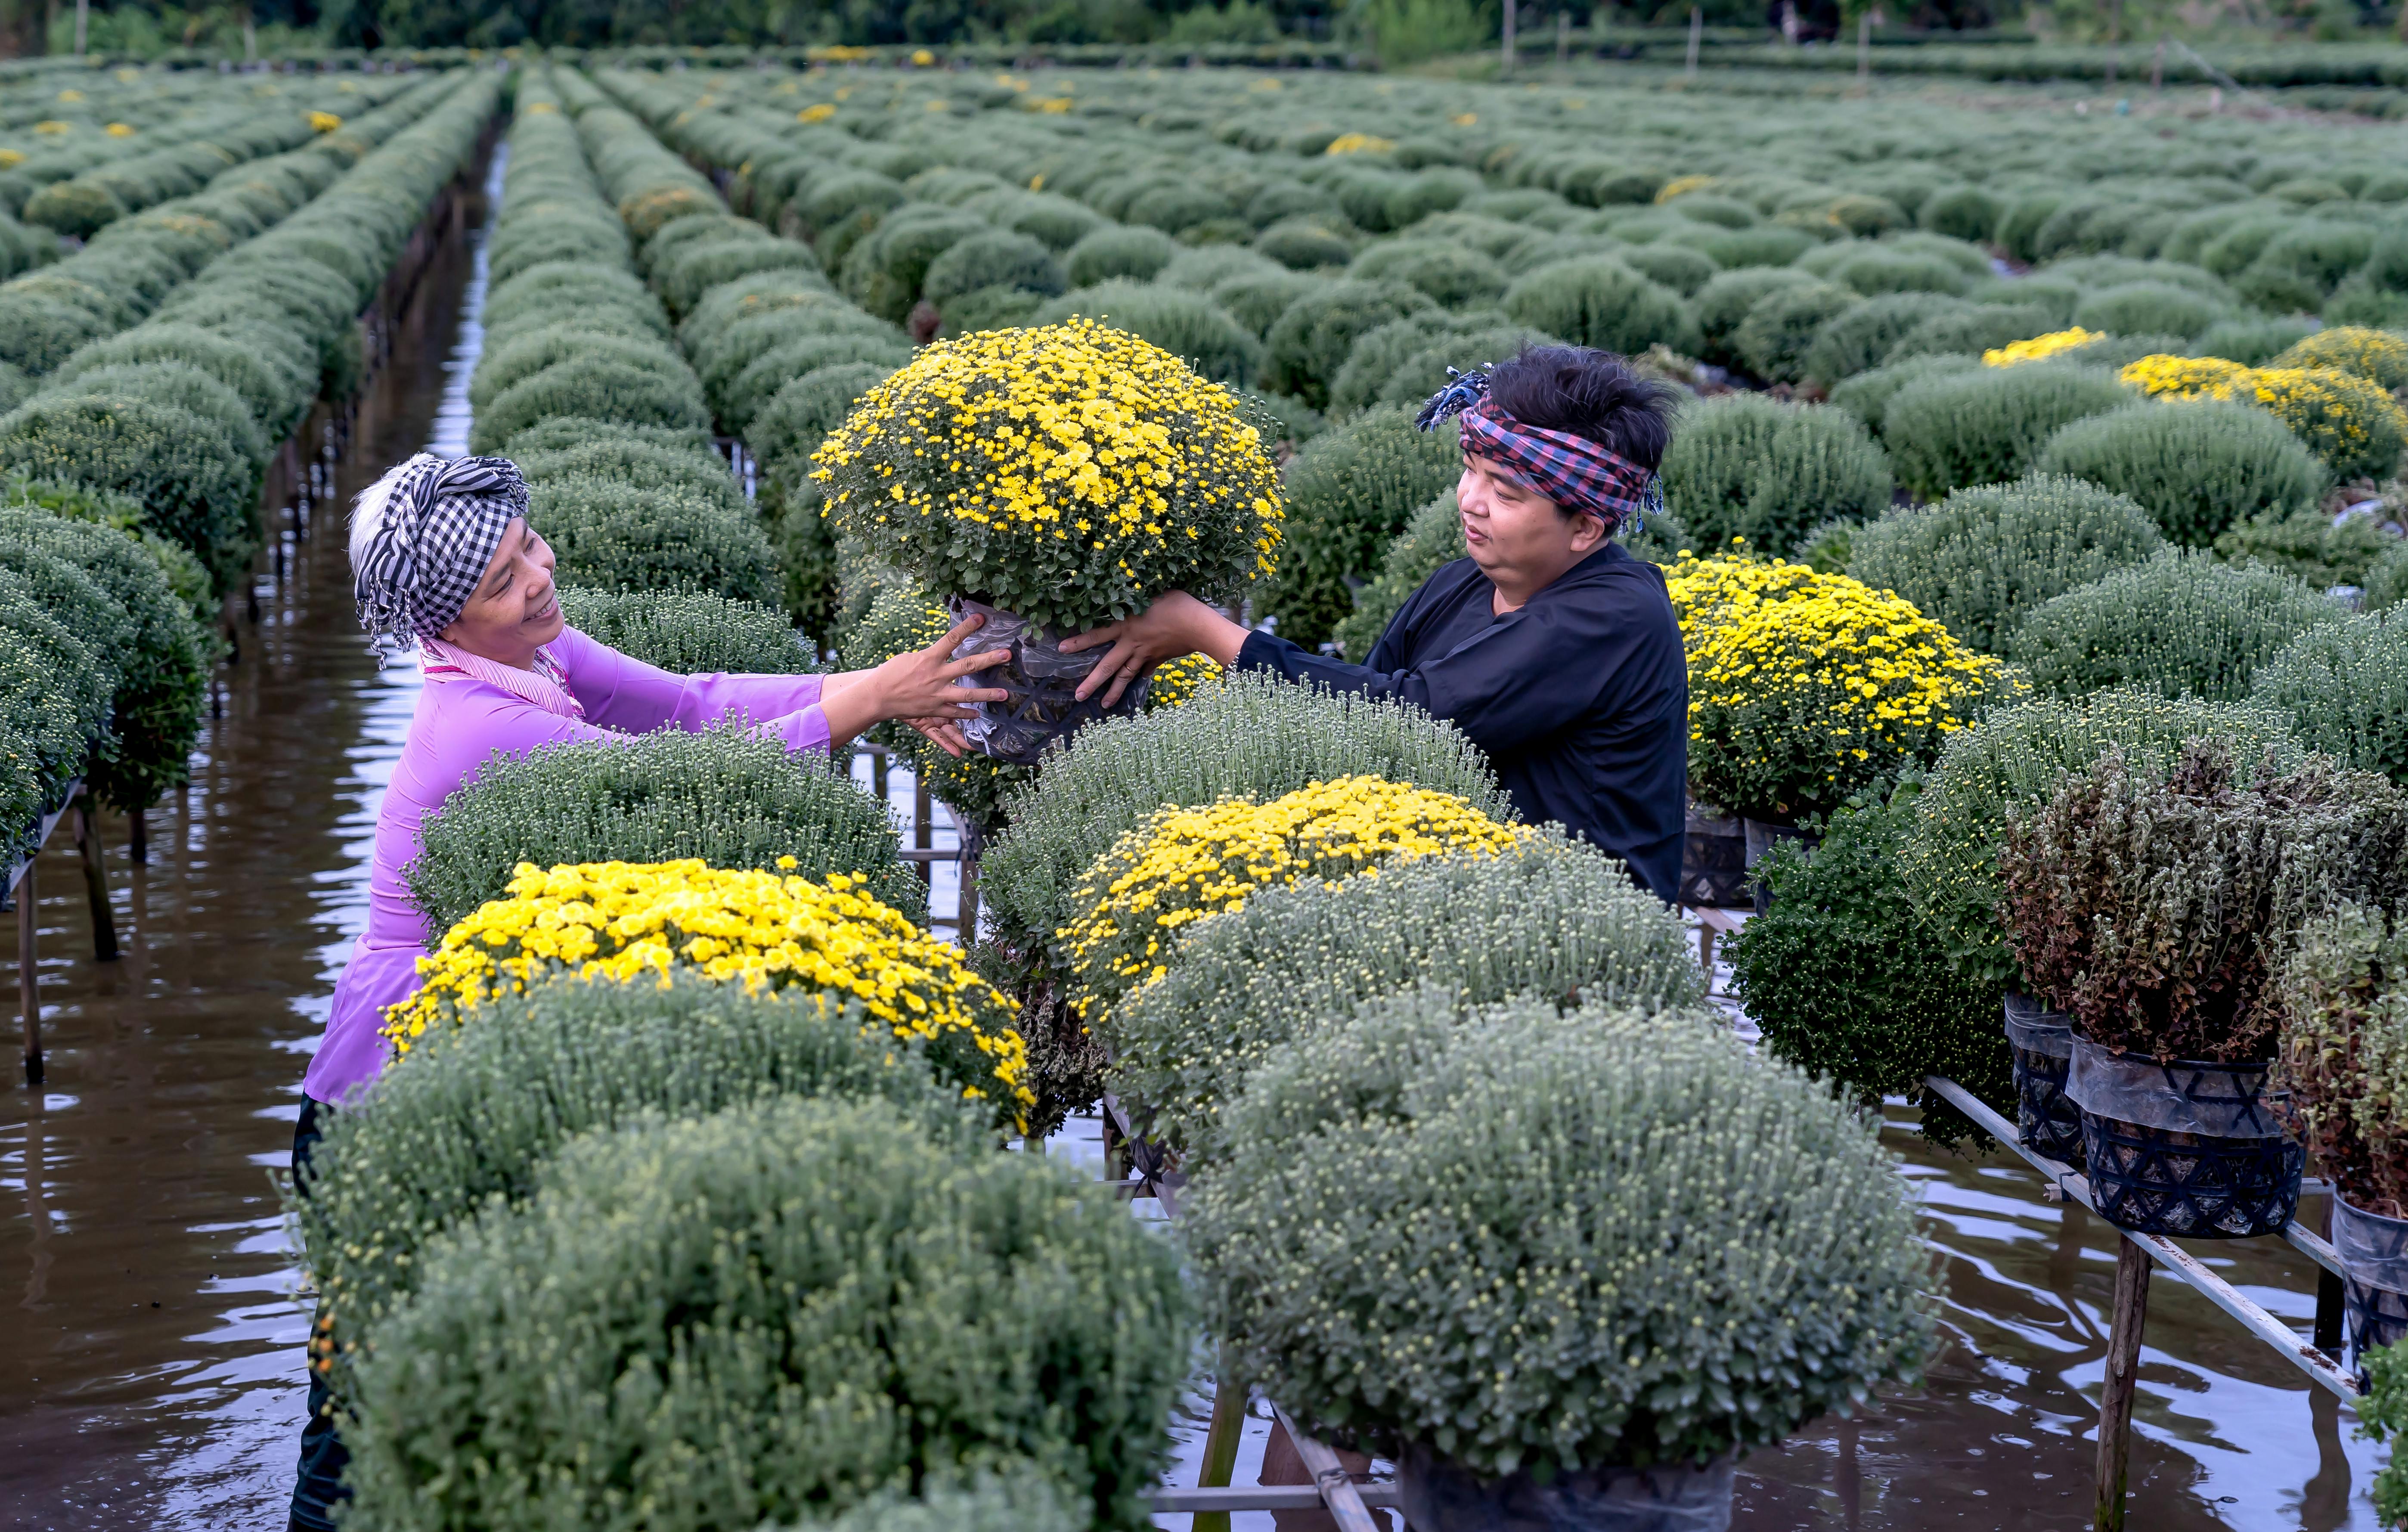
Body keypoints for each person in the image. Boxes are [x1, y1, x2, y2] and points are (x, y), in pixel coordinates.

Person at [286, 452, 1007, 1532]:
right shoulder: (479, 727)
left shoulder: (537, 654)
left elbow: (696, 709)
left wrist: (876, 689)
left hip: (477, 1054)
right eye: (500, 579)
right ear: (447, 625)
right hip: (385, 1098)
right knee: (359, 1421)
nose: (536, 573)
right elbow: (693, 792)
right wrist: (869, 699)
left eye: (526, 543)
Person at [1059, 344, 1690, 904]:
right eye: (1470, 469)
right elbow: (1362, 706)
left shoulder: (1617, 616)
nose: (1469, 500)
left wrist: (1202, 629)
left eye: (1506, 492)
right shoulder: (1459, 583)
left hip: (1579, 926)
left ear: (1585, 526)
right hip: (1455, 891)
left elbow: (1405, 716)